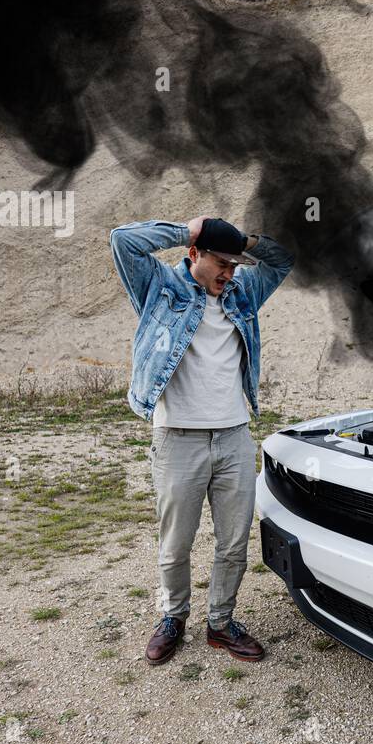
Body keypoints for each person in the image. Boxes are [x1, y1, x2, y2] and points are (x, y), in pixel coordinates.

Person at [110, 214, 294, 665]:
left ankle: (220, 623)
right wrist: (187, 231)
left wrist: (243, 241)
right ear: (194, 255)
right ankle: (173, 617)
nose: (230, 272)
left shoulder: (242, 292)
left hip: (234, 436)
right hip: (177, 438)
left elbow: (282, 259)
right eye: (222, 262)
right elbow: (123, 242)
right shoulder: (158, 286)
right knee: (176, 542)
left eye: (236, 264)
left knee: (233, 543)